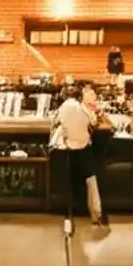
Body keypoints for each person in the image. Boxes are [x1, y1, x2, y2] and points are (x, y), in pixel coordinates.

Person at [53, 85, 106, 226]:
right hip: (84, 149)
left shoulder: (61, 109)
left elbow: (56, 125)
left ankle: (68, 211)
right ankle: (96, 213)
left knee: (69, 180)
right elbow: (93, 123)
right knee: (91, 179)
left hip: (67, 151)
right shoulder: (82, 108)